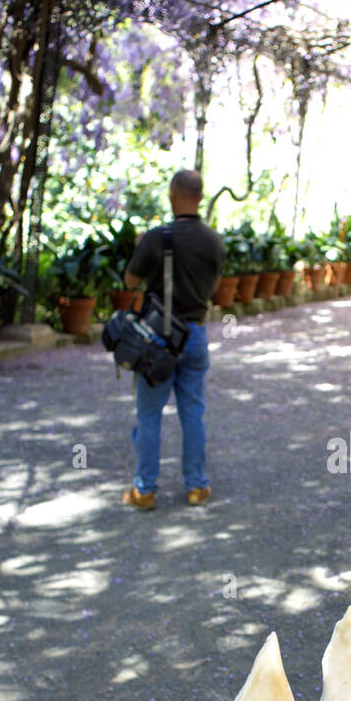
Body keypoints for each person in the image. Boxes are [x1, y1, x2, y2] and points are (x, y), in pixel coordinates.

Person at [121, 169, 225, 509]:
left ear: (172, 194)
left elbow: (130, 282)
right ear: (200, 195)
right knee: (193, 412)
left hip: (159, 339)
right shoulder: (214, 241)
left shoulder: (156, 237)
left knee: (149, 415)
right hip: (194, 334)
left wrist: (143, 252)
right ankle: (197, 487)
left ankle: (145, 490)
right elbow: (214, 289)